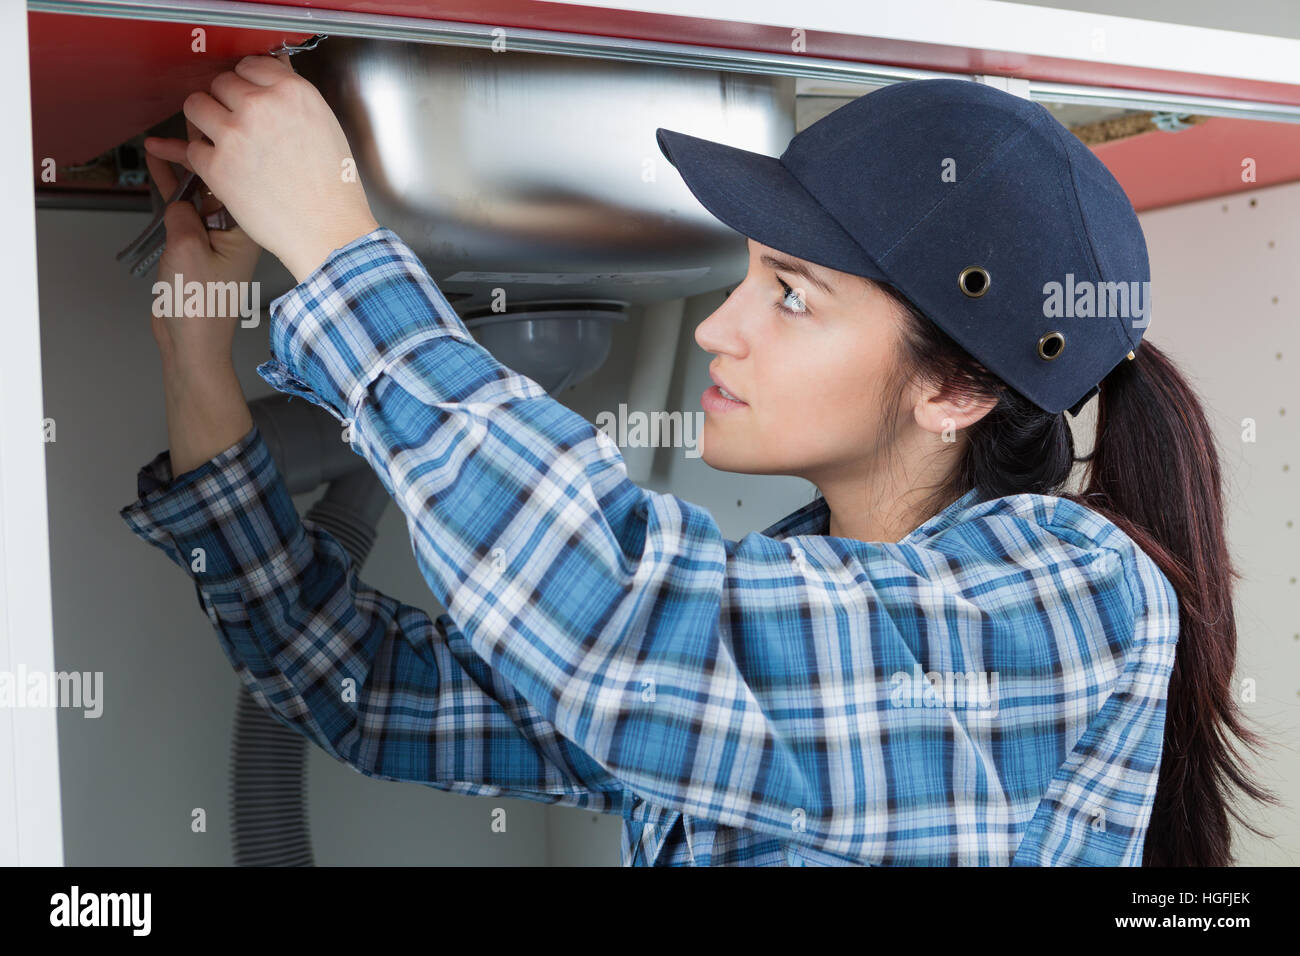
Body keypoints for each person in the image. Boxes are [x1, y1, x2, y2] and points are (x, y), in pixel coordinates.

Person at [121, 55, 1274, 866]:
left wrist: (335, 245)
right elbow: (362, 688)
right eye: (747, 273)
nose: (721, 326)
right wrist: (196, 351)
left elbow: (618, 617)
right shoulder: (779, 615)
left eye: (790, 294)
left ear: (956, 387)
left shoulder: (1070, 590)